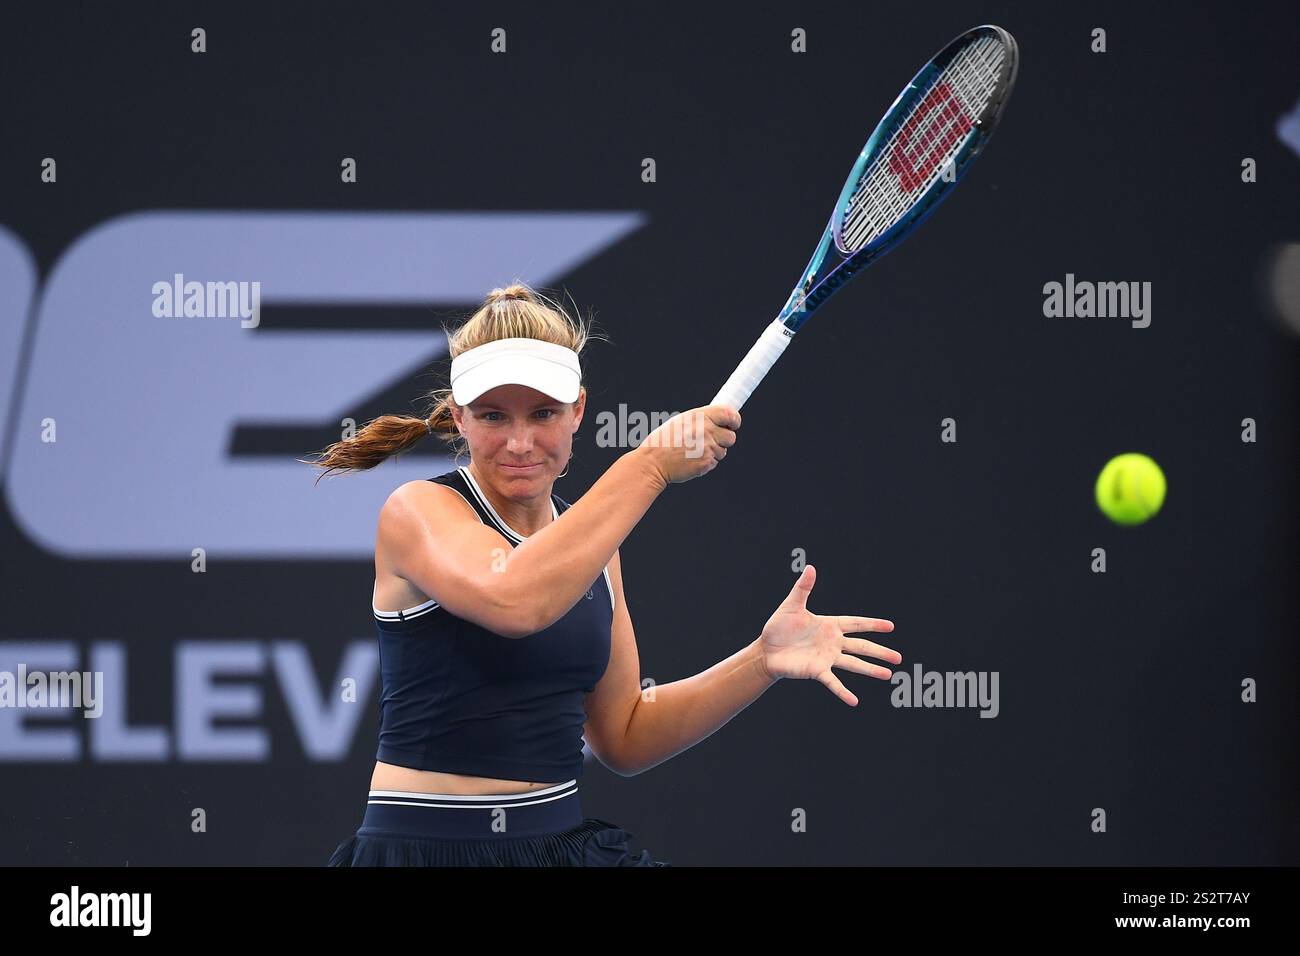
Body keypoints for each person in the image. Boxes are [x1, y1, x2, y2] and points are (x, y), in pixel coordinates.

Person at [311, 282, 900, 866]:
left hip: (558, 846)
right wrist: (647, 465)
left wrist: (761, 660)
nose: (520, 442)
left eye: (543, 413)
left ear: (579, 412)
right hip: (425, 853)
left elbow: (624, 735)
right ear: (460, 418)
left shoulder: (593, 546)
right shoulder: (416, 511)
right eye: (493, 416)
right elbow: (515, 600)